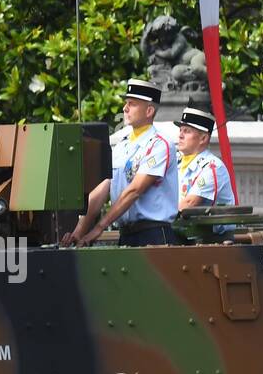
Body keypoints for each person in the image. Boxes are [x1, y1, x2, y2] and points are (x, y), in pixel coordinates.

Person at [61, 78, 177, 247]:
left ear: (149, 110)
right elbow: (102, 188)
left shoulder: (159, 144)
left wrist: (100, 227)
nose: (125, 108)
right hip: (127, 234)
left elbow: (135, 191)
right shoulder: (121, 145)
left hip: (153, 235)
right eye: (125, 103)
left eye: (132, 104)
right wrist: (79, 231)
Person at [174, 106, 235, 212]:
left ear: (203, 138)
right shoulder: (176, 161)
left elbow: (189, 203)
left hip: (208, 228)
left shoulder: (213, 167)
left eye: (187, 131)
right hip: (183, 225)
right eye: (180, 130)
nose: (180, 135)